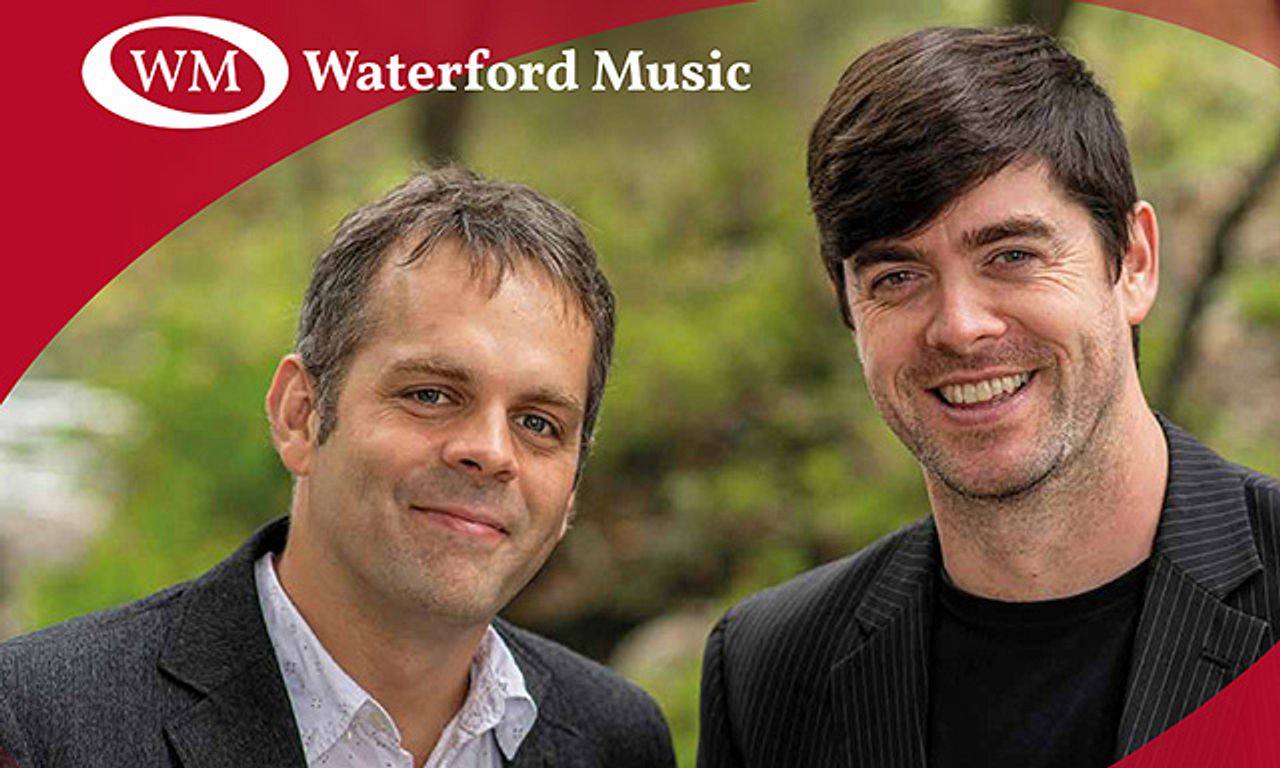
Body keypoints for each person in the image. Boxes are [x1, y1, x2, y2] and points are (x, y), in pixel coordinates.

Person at [697, 26, 1280, 768]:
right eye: (897, 277)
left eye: (1011, 255)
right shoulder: (768, 673)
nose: (959, 327)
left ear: (1133, 263)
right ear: (850, 311)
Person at [0, 168, 676, 768]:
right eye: (432, 394)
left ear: (572, 487)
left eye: (538, 424)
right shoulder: (41, 723)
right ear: (300, 415)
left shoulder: (616, 739)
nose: (492, 452)